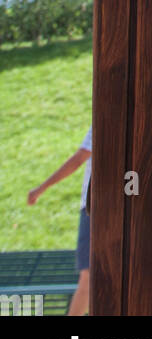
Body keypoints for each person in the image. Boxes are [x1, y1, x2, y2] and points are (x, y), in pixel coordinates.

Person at [28, 126, 92, 314]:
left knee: (89, 277)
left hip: (95, 209)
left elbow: (78, 159)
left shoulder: (103, 119)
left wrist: (41, 188)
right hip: (117, 209)